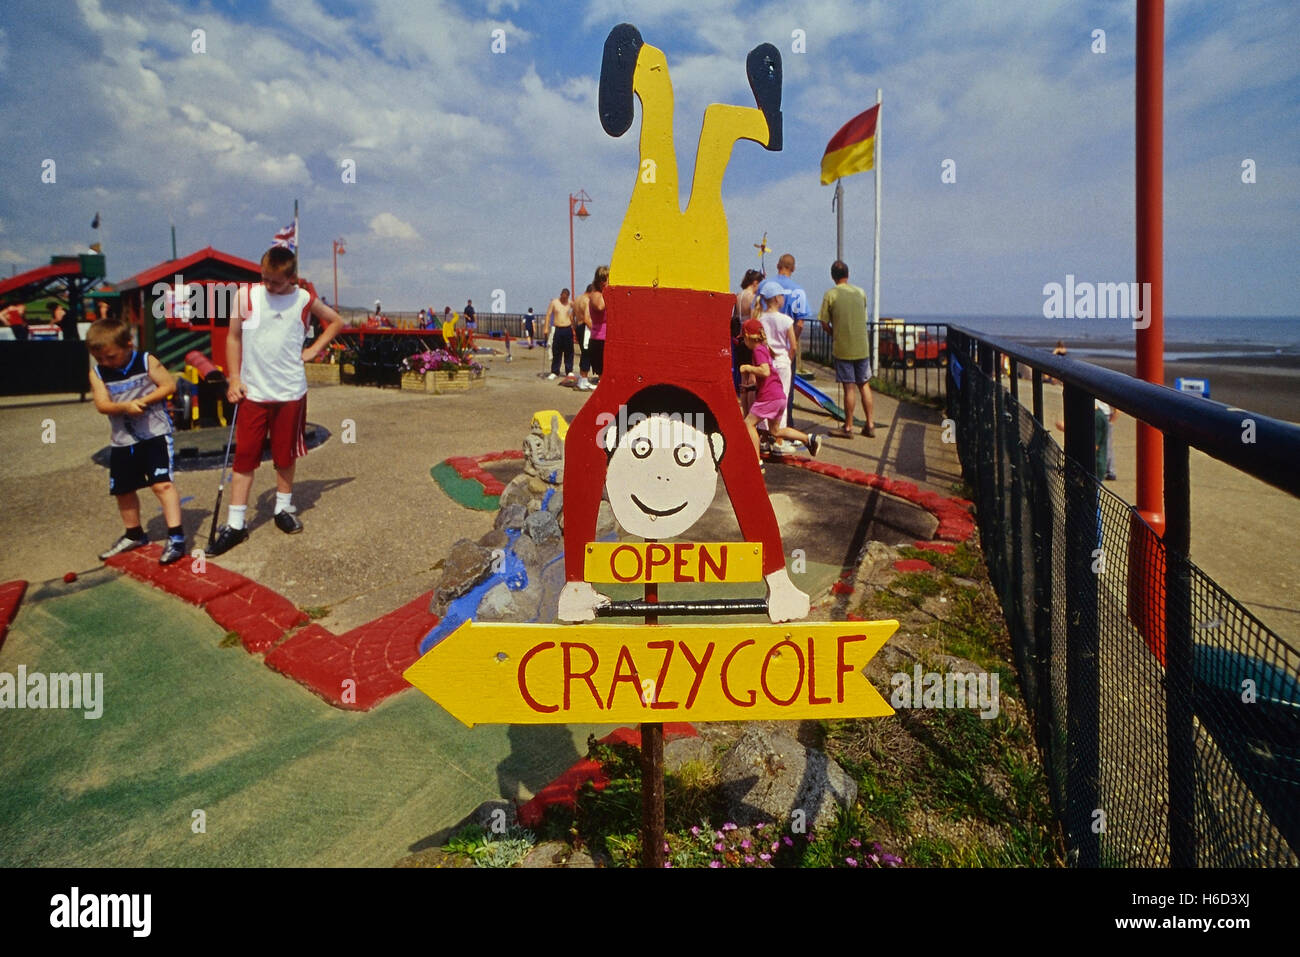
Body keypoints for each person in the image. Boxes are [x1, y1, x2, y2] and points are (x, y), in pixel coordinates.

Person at [207, 246, 344, 554]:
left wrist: (312, 351)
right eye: (264, 278)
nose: (268, 286)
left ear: (292, 278)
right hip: (253, 392)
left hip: (289, 392)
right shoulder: (246, 296)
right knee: (245, 457)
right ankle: (237, 523)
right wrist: (233, 378)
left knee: (284, 455)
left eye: (275, 282)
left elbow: (335, 322)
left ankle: (283, 508)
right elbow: (233, 337)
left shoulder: (304, 299)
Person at [86, 317, 187, 565]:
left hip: (154, 433)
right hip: (122, 440)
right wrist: (125, 406)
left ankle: (176, 537)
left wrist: (144, 401)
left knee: (161, 484)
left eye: (111, 357)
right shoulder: (98, 373)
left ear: (128, 345)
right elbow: (102, 404)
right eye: (100, 359)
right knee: (123, 489)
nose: (106, 363)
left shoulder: (145, 360)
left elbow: (168, 386)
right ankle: (134, 534)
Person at [739, 318, 822, 467]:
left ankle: (755, 461)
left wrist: (747, 368)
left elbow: (764, 371)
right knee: (775, 431)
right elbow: (767, 376)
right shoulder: (764, 348)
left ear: (748, 336)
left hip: (769, 397)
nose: (743, 342)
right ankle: (808, 439)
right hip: (778, 396)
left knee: (749, 424)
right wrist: (751, 387)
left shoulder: (758, 350)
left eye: (743, 339)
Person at [819, 259, 875, 438]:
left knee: (849, 387)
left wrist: (834, 334)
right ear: (848, 274)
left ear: (832, 276)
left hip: (843, 347)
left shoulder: (831, 294)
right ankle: (870, 424)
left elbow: (823, 323)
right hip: (862, 346)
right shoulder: (860, 292)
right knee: (864, 384)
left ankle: (848, 426)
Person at [771, 253, 810, 440]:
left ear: (778, 265)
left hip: (767, 348)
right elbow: (800, 323)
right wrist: (792, 343)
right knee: (786, 390)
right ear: (793, 269)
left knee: (766, 388)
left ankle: (766, 429)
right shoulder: (798, 291)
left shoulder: (766, 286)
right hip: (786, 349)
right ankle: (785, 428)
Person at [755, 278, 797, 433]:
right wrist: (788, 360)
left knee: (765, 397)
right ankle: (779, 434)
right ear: (777, 298)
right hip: (783, 363)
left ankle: (764, 433)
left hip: (766, 363)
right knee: (782, 398)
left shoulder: (760, 319)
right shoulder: (786, 320)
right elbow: (793, 346)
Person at [583, 266, 609, 390]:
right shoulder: (596, 294)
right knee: (603, 377)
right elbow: (600, 306)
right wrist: (607, 290)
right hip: (599, 340)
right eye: (605, 280)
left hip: (607, 339)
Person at [543, 288, 575, 380]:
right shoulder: (554, 302)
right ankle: (555, 371)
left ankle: (569, 371)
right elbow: (548, 314)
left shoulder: (570, 303)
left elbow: (577, 308)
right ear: (561, 295)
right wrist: (546, 328)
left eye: (566, 298)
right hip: (557, 328)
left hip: (568, 328)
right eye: (563, 297)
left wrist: (573, 317)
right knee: (556, 350)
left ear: (567, 297)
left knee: (569, 351)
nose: (564, 299)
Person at [574, 283, 594, 390]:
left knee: (584, 353)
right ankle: (583, 380)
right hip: (585, 328)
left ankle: (583, 379)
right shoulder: (587, 300)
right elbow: (587, 319)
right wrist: (595, 329)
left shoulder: (577, 299)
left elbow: (571, 316)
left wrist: (575, 328)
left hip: (578, 327)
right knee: (587, 353)